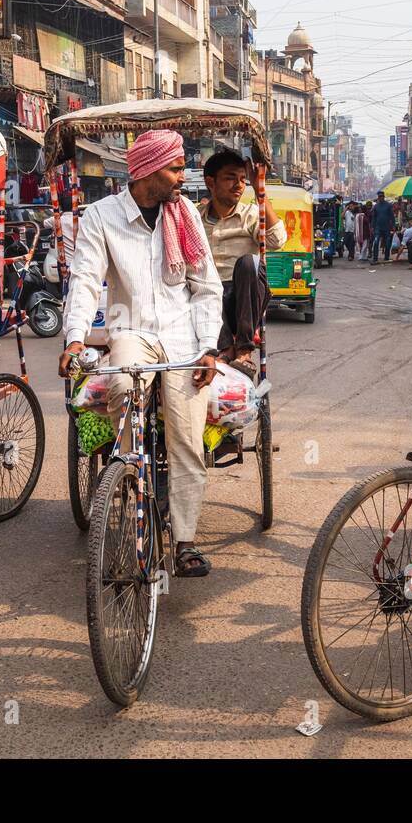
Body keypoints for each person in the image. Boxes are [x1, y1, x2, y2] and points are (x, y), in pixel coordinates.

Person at [60, 130, 222, 579]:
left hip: (184, 338)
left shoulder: (184, 213)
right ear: (148, 171)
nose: (182, 175)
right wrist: (75, 338)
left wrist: (208, 347)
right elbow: (86, 281)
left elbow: (207, 287)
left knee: (188, 440)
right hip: (131, 330)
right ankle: (131, 483)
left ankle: (185, 540)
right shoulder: (101, 216)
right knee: (118, 382)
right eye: (175, 168)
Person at [198, 149, 286, 379]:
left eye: (242, 180)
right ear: (211, 182)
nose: (238, 185)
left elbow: (278, 240)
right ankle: (225, 348)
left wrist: (260, 194)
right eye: (230, 178)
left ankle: (244, 350)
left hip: (245, 295)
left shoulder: (251, 214)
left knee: (249, 263)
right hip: (207, 297)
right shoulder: (195, 218)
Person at [372, 192, 395, 263]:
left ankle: (386, 257)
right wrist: (372, 226)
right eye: (379, 196)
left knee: (387, 242)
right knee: (376, 242)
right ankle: (375, 258)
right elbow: (374, 217)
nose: (381, 197)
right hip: (378, 227)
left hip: (387, 227)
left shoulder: (388, 205)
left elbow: (392, 216)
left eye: (382, 196)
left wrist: (393, 225)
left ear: (384, 197)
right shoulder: (376, 206)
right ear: (378, 197)